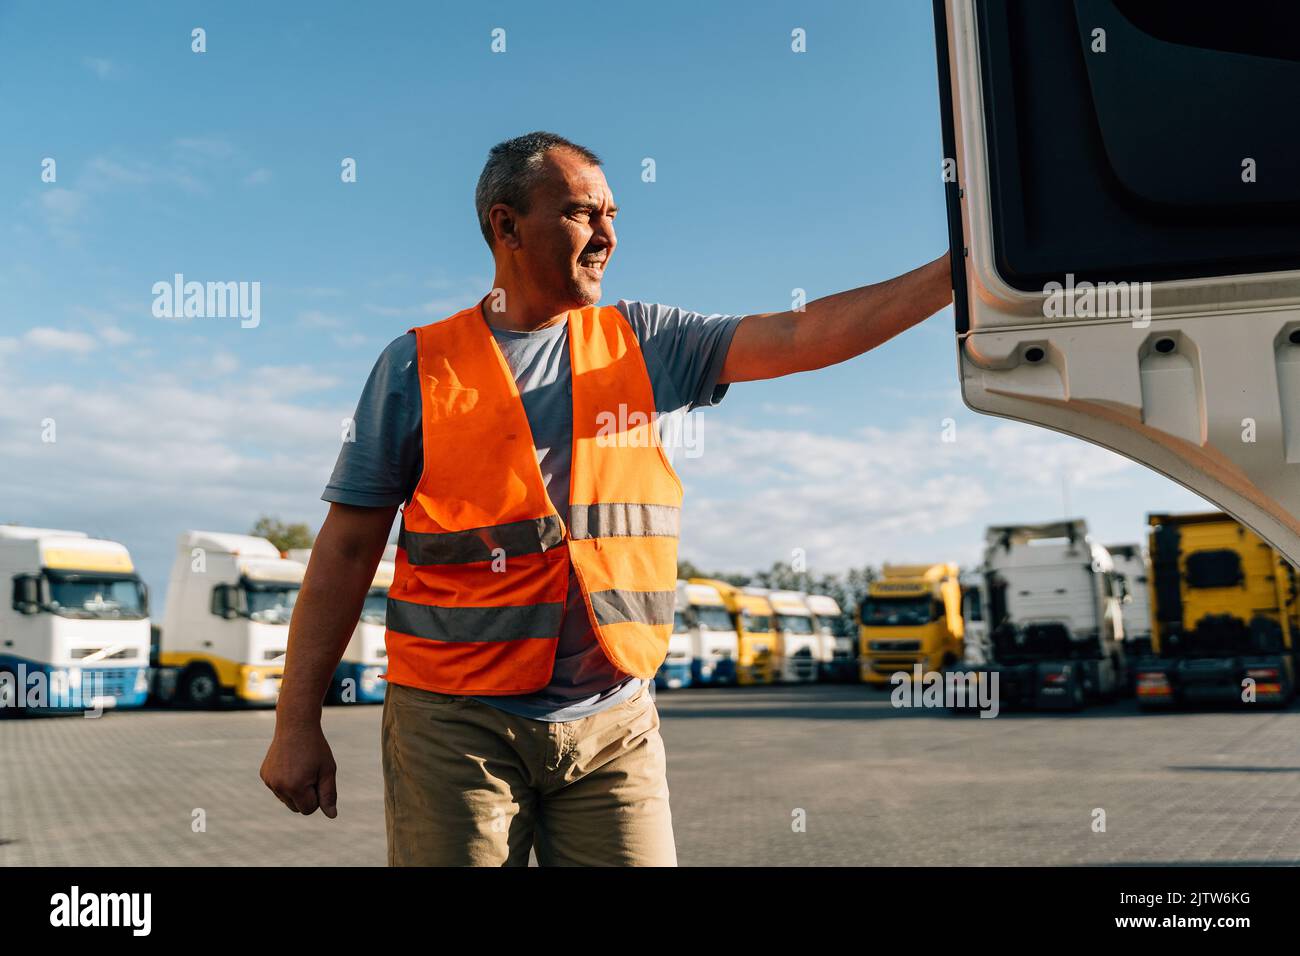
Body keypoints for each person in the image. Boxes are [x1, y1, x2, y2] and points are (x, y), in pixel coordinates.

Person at [260, 130, 953, 866]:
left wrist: (955, 275)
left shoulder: (641, 341)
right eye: (584, 213)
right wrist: (295, 722)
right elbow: (345, 549)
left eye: (613, 214)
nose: (608, 235)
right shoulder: (416, 367)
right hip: (455, 729)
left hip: (613, 726)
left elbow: (799, 332)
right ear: (505, 225)